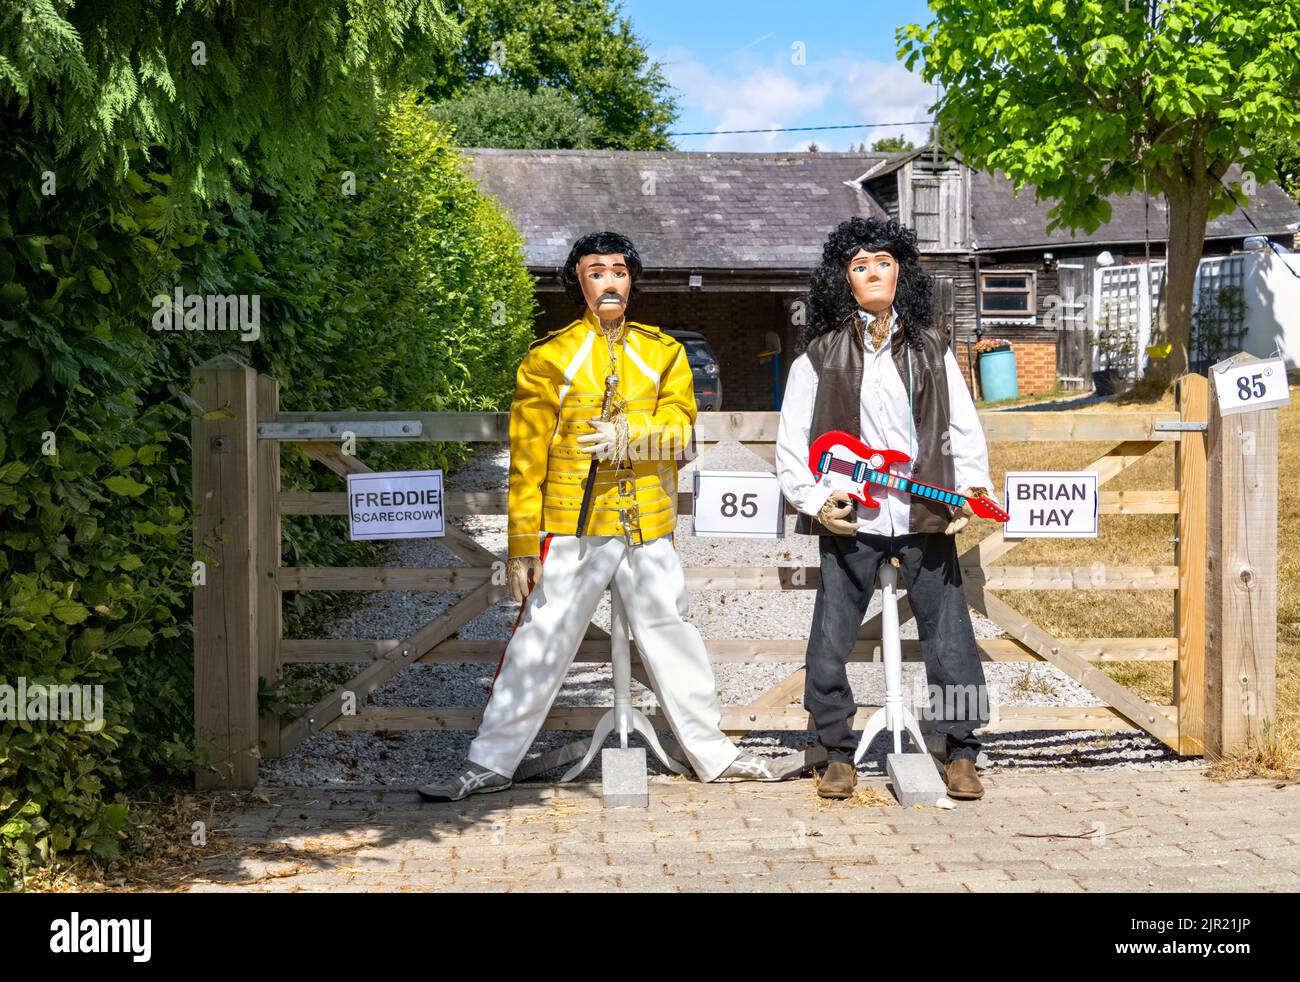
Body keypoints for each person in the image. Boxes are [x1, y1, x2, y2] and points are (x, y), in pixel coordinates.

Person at [419, 231, 798, 802]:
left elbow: (683, 436)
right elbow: (527, 457)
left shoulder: (663, 352)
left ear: (631, 280)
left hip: (646, 523)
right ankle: (489, 762)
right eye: (596, 271)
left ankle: (714, 756)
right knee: (539, 641)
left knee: (675, 638)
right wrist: (522, 543)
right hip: (572, 525)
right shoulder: (548, 357)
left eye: (618, 270)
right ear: (580, 281)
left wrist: (631, 435)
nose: (609, 281)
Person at [775, 217, 995, 802]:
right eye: (859, 265)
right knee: (830, 637)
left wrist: (969, 490)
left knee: (951, 638)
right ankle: (834, 751)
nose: (873, 272)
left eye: (884, 262)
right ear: (843, 280)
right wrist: (819, 502)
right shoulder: (817, 356)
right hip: (853, 516)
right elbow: (792, 444)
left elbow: (961, 428)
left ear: (902, 271)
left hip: (924, 514)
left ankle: (961, 749)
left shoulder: (935, 348)